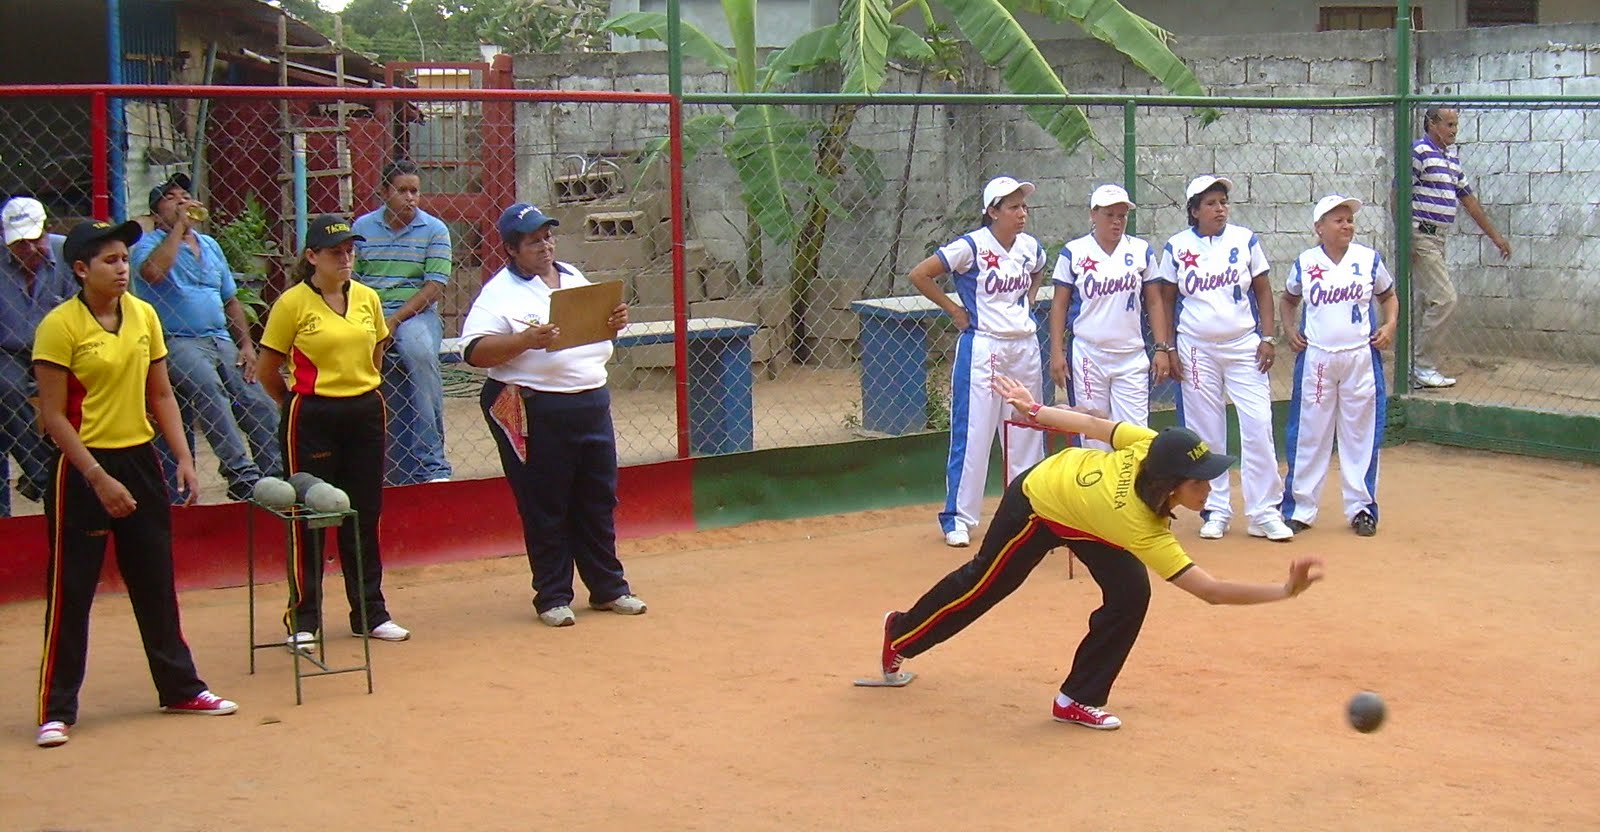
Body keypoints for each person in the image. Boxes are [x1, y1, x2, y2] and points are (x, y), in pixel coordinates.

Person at [874, 375, 1323, 730]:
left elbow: (1093, 425)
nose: (1210, 487)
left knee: (1130, 596)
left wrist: (1035, 409)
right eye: (1199, 481)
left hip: (1090, 517)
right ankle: (902, 634)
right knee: (985, 584)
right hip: (1040, 502)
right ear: (1169, 484)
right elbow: (1211, 591)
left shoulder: (1152, 448)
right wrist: (1283, 590)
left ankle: (1077, 698)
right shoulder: (1137, 524)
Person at [31, 219, 239, 749]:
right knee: (72, 588)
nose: (122, 268)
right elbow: (53, 417)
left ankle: (180, 688)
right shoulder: (60, 326)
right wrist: (97, 478)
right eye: (109, 261)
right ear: (81, 270)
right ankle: (56, 709)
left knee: (154, 577)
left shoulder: (144, 315)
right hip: (82, 469)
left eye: (124, 258)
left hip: (140, 461)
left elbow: (162, 394)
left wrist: (184, 458)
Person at [459, 203, 646, 628]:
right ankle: (553, 595)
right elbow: (472, 350)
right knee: (546, 501)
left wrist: (613, 320)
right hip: (534, 405)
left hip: (589, 401)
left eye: (547, 237)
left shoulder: (572, 277)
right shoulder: (499, 292)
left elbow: (593, 329)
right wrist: (525, 340)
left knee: (597, 498)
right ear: (511, 249)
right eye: (532, 241)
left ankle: (608, 588)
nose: (544, 247)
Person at [256, 214, 410, 648]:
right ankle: (304, 618)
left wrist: (358, 385)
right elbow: (269, 368)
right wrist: (294, 405)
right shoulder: (292, 304)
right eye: (334, 252)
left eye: (349, 251)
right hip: (312, 413)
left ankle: (370, 611)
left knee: (363, 510)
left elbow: (376, 350)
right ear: (311, 257)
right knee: (309, 514)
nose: (345, 258)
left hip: (364, 409)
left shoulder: (367, 298)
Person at [1149, 175, 1295, 543]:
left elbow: (1262, 289)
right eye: (1211, 203)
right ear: (1194, 210)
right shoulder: (1177, 246)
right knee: (1205, 433)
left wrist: (1267, 336)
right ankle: (1215, 509)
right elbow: (1165, 299)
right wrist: (1167, 347)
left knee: (1259, 422)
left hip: (1243, 344)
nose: (1220, 209)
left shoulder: (1244, 240)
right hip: (1196, 347)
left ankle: (1264, 512)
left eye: (1223, 202)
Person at [908, 176, 1048, 548]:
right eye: (1013, 207)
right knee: (975, 432)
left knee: (1025, 431)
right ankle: (958, 517)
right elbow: (920, 274)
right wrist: (954, 309)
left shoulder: (1029, 247)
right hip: (985, 348)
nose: (1022, 214)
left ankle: (1027, 513)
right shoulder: (971, 246)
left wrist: (1028, 300)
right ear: (992, 211)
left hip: (1024, 347)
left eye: (1023, 206)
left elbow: (1039, 268)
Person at [132, 173, 280, 499]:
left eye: (185, 194)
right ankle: (242, 477)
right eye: (171, 198)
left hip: (220, 338)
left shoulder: (210, 245)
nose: (182, 200)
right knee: (208, 389)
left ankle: (275, 476)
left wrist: (245, 344)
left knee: (257, 398)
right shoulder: (146, 245)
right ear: (157, 213)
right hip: (176, 340)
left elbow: (230, 298)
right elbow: (153, 274)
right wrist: (179, 230)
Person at [1279, 195, 1398, 538]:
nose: (1347, 225)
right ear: (1319, 228)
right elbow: (1288, 300)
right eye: (1338, 220)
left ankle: (1361, 509)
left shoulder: (1368, 260)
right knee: (1309, 434)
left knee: (1360, 434)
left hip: (1360, 356)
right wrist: (1289, 331)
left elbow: (1388, 297)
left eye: (1349, 220)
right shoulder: (1305, 262)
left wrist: (1389, 326)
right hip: (1317, 358)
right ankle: (1300, 508)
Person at [352, 159, 453, 485]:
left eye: (416, 191)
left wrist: (394, 321)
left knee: (419, 352)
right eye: (403, 191)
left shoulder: (435, 230)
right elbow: (354, 281)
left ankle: (432, 463)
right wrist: (372, 320)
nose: (411, 198)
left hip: (416, 315)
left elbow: (434, 287)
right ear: (385, 192)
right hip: (369, 313)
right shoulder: (363, 229)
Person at [1410, 107, 1512, 389]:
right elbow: (1400, 191)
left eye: (1456, 125)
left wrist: (1495, 236)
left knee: (1428, 301)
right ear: (1432, 124)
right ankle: (1423, 366)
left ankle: (1416, 367)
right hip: (1420, 235)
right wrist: (1405, 235)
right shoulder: (1418, 151)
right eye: (1449, 124)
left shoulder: (1450, 157)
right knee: (1444, 299)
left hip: (1438, 237)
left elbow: (1468, 199)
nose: (1454, 130)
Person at [1048, 184, 1153, 451]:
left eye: (1122, 215)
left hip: (1131, 353)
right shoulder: (1074, 252)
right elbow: (1059, 305)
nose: (1117, 221)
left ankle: (1132, 492)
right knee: (1094, 435)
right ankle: (1096, 492)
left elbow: (1155, 300)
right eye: (1109, 215)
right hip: (1088, 353)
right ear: (1093, 215)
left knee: (1135, 436)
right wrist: (1057, 352)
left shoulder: (1141, 250)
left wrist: (1163, 347)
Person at [1, 196, 74, 515]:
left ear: (46, 229)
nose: (29, 250)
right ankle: (43, 476)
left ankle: (63, 472)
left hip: (63, 348)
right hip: (11, 350)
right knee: (6, 388)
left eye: (34, 240)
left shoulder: (69, 253)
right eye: (20, 245)